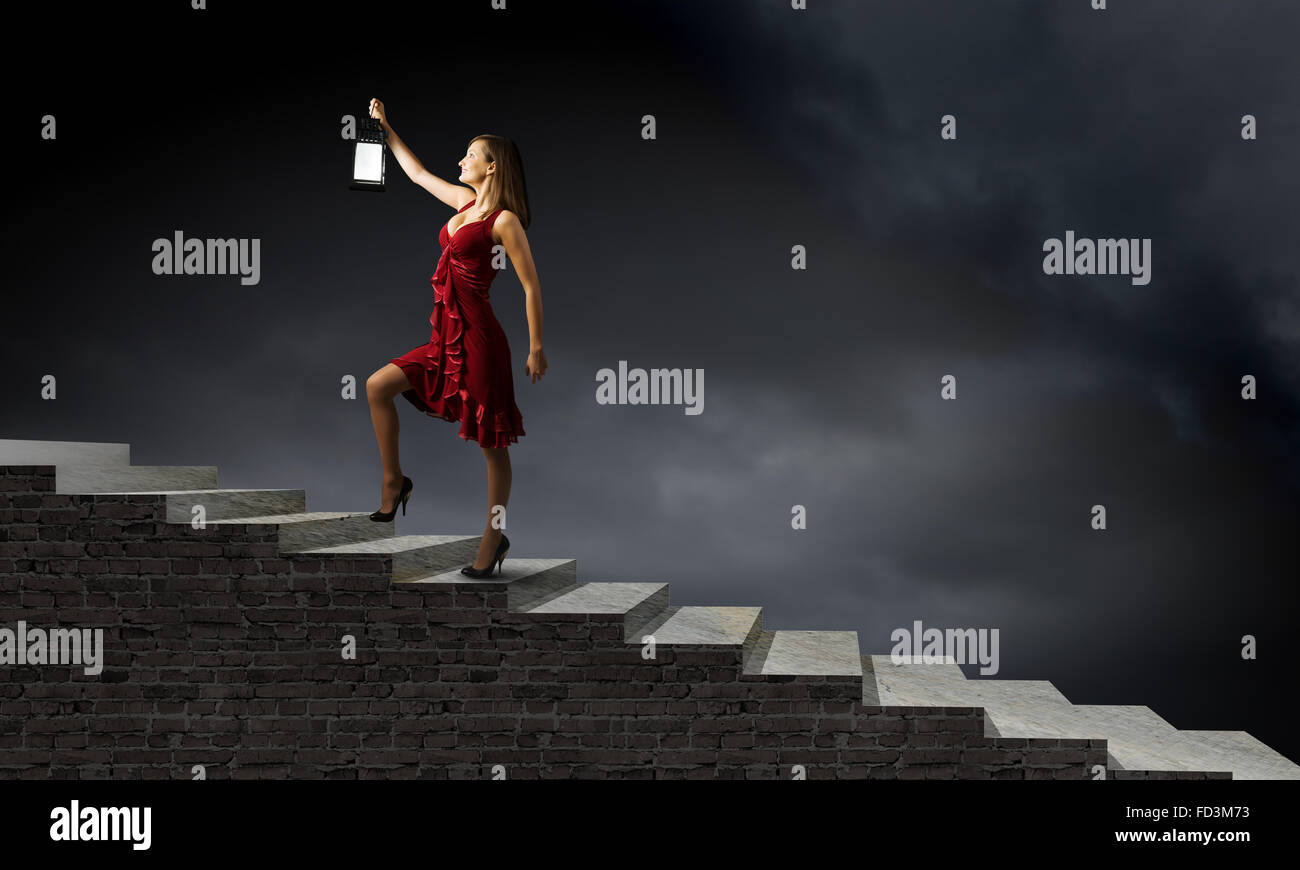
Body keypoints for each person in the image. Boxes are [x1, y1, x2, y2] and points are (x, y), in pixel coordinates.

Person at [363, 98, 547, 578]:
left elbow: (531, 285)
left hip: (482, 340)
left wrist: (536, 347)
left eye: (471, 154)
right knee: (378, 386)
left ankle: (494, 535)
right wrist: (385, 129)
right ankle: (393, 482)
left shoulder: (502, 221)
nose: (461, 160)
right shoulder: (463, 204)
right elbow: (419, 173)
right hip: (446, 335)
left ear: (491, 166)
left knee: (492, 445)